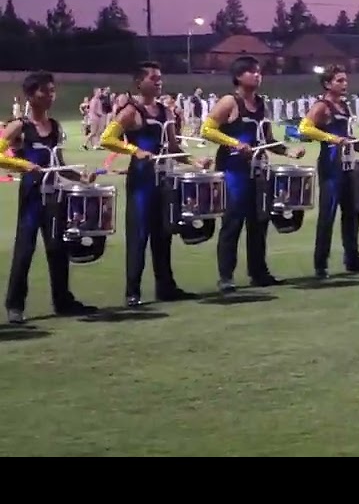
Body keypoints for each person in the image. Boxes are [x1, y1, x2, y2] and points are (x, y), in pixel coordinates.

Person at [100, 61, 209, 306]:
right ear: (140, 82)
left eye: (160, 78)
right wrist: (134, 150)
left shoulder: (166, 111)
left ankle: (166, 286)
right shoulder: (131, 110)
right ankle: (132, 292)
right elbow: (107, 138)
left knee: (164, 233)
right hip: (142, 178)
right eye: (154, 78)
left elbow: (172, 146)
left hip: (165, 178)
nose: (159, 82)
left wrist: (194, 161)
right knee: (138, 235)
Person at [200, 56, 305, 293]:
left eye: (259, 72)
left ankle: (258, 272)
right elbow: (207, 129)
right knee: (232, 223)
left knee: (260, 222)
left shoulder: (261, 104)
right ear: (238, 77)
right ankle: (225, 276)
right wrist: (234, 143)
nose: (257, 75)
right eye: (251, 72)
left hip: (258, 171)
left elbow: (266, 140)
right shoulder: (230, 101)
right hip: (233, 171)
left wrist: (288, 151)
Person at [0, 71, 99, 323]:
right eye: (45, 91)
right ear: (31, 95)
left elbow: (59, 163)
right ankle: (15, 306)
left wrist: (79, 177)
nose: (50, 96)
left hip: (55, 195)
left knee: (57, 248)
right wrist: (23, 166)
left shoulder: (54, 126)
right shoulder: (20, 126)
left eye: (52, 91)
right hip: (33, 195)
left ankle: (63, 300)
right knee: (25, 249)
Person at [299, 64, 359, 279]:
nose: (344, 84)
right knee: (327, 215)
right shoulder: (322, 106)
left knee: (352, 213)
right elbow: (304, 128)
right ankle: (321, 264)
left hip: (348, 164)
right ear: (327, 84)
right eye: (339, 80)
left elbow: (349, 137)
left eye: (345, 80)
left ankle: (352, 258)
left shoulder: (344, 107)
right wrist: (331, 138)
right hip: (330, 165)